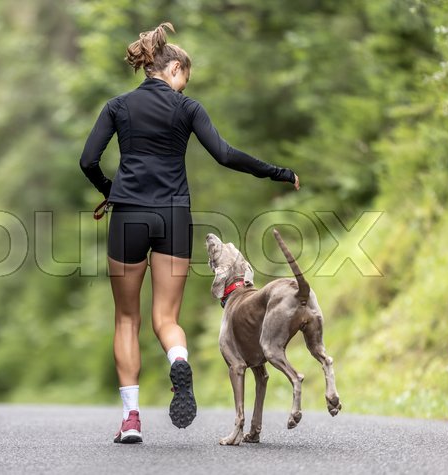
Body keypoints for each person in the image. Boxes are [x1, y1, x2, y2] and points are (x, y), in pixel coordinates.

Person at [79, 22, 300, 444]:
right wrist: (277, 172)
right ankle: (179, 358)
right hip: (174, 217)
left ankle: (130, 420)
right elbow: (225, 154)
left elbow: (89, 160)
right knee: (167, 319)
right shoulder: (188, 109)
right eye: (185, 79)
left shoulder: (117, 106)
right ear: (175, 68)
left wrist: (113, 192)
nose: (184, 87)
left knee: (127, 318)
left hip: (128, 216)